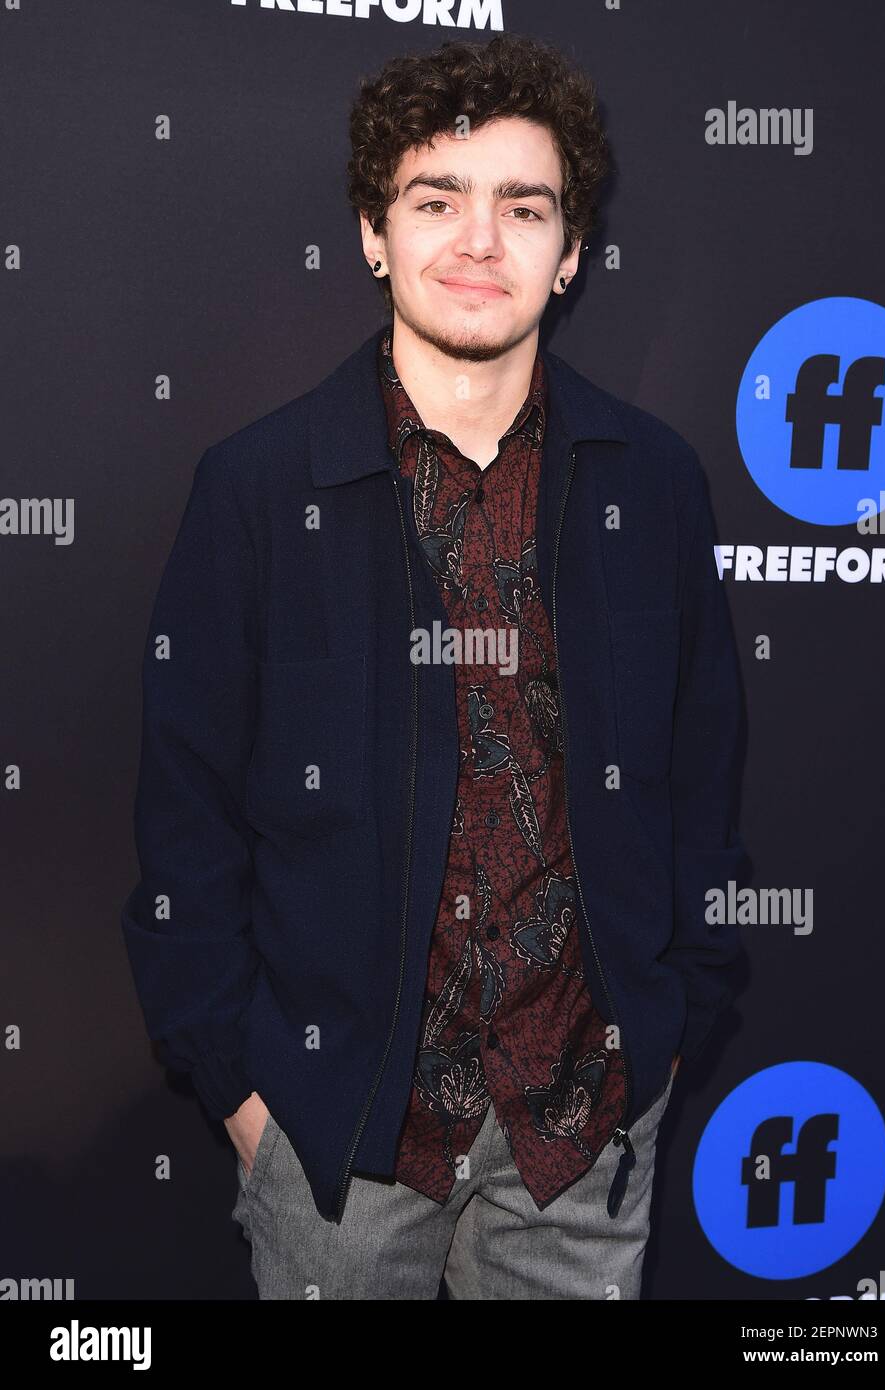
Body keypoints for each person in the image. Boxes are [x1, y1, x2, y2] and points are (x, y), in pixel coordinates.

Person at [121, 32, 751, 1300]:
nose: (478, 241)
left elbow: (702, 777)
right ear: (373, 232)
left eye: (523, 207)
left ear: (570, 250)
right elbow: (185, 826)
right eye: (435, 200)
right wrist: (249, 1099)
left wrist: (666, 1036)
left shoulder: (655, 483)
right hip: (332, 1141)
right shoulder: (256, 490)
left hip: (580, 1133)